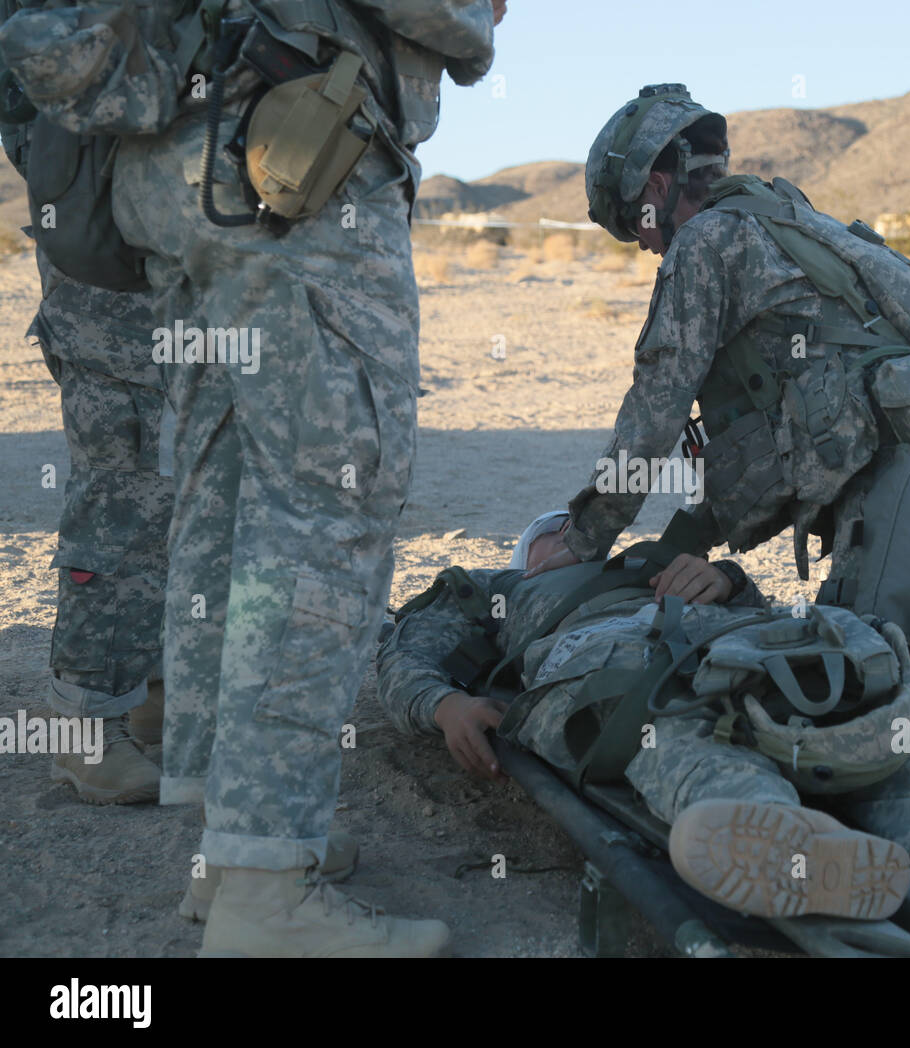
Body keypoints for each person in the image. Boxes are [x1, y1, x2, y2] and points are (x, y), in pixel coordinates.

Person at [7, 0, 510, 957]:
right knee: (328, 510)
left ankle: (228, 844)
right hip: (286, 159)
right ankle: (266, 889)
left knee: (220, 499)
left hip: (170, 171)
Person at [377, 514, 910, 924]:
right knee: (679, 736)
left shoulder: (656, 560)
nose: (572, 540)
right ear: (523, 560)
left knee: (868, 732)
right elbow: (404, 654)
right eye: (552, 538)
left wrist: (724, 580)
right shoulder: (498, 597)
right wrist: (446, 702)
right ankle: (790, 844)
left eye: (581, 532)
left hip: (759, 651)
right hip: (614, 680)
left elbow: (745, 592)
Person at [526, 84, 910, 660]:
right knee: (889, 669)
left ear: (655, 187)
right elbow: (777, 442)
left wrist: (584, 538)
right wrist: (688, 541)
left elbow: (655, 411)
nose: (645, 246)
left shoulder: (703, 243)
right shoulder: (785, 215)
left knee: (848, 691)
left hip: (885, 495)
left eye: (634, 225)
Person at [0, 105, 170, 805]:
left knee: (188, 487)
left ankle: (149, 685)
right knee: (122, 499)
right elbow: (34, 110)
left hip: (184, 275)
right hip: (115, 289)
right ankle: (82, 722)